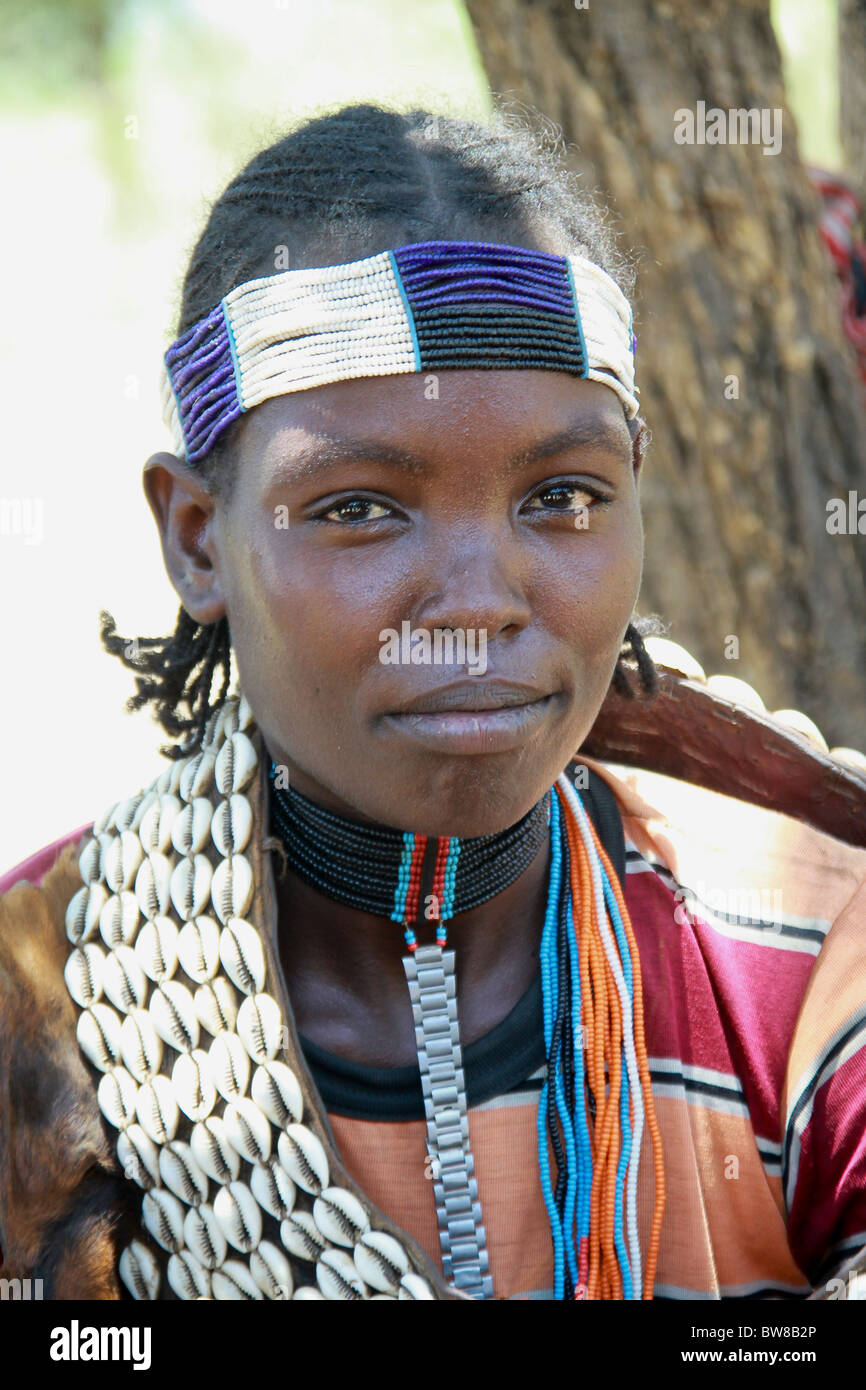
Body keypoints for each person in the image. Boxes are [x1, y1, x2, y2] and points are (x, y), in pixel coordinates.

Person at [2, 103, 866, 1303]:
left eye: (561, 495)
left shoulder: (804, 957)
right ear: (197, 540)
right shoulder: (40, 997)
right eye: (361, 506)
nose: (477, 602)